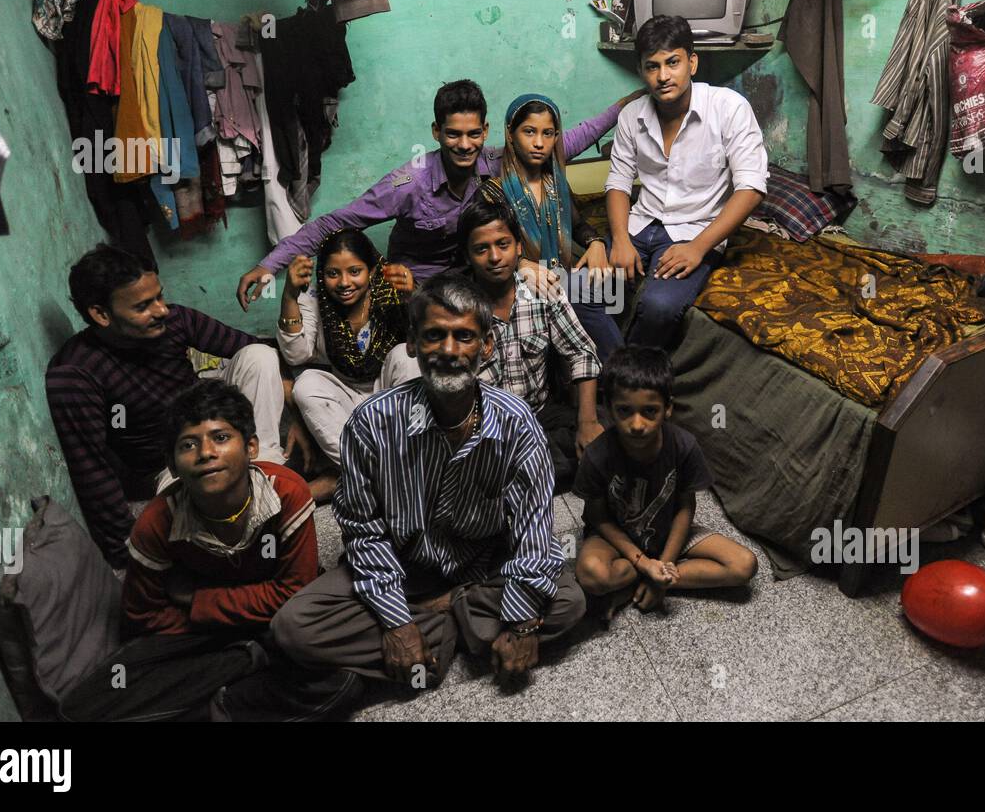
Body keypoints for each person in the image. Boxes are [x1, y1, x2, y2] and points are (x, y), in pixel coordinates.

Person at [271, 274, 586, 691]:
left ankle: (437, 625)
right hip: (406, 569)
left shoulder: (516, 422)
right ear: (413, 345)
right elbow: (363, 532)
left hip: (483, 565)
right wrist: (396, 620)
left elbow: (531, 530)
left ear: (486, 346)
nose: (449, 351)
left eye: (465, 337)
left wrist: (523, 621)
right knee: (293, 627)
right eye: (435, 336)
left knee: (568, 600)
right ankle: (445, 628)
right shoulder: (372, 423)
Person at [59, 382, 361, 721]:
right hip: (208, 634)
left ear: (251, 448)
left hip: (272, 619)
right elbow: (143, 614)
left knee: (341, 676)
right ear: (172, 466)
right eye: (188, 444)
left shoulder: (287, 493)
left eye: (220, 438)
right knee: (85, 706)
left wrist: (198, 600)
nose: (206, 453)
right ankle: (242, 664)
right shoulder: (156, 524)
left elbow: (293, 590)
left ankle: (221, 705)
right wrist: (226, 631)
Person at [237, 79, 640, 310]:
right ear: (436, 132)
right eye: (452, 134)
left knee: (574, 292)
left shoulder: (499, 161)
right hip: (419, 287)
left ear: (484, 132)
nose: (464, 145)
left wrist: (630, 103)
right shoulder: (410, 182)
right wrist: (270, 264)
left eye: (472, 134)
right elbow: (337, 222)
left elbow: (572, 139)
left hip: (481, 274)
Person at [45, 244, 311, 567]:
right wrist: (127, 554)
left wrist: (299, 417)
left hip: (208, 420)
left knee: (261, 356)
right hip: (168, 468)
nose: (162, 310)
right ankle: (269, 476)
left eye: (159, 296)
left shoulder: (173, 320)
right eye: (144, 305)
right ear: (101, 314)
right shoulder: (75, 374)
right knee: (223, 511)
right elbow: (92, 470)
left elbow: (247, 346)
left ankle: (264, 456)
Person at [605, 15, 769, 348]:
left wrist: (698, 247)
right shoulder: (631, 116)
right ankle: (605, 369)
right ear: (641, 71)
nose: (663, 76)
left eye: (672, 63)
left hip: (695, 229)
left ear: (692, 63)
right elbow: (619, 182)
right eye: (652, 67)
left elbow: (751, 189)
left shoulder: (729, 108)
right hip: (640, 224)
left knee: (659, 305)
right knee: (587, 288)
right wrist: (620, 239)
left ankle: (629, 378)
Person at [574, 346, 758, 618]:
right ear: (609, 408)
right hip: (617, 538)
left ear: (668, 408)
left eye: (650, 411)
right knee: (592, 573)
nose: (637, 424)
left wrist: (665, 563)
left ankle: (650, 583)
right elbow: (597, 517)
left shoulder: (684, 446)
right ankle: (649, 576)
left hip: (667, 531)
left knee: (744, 565)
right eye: (625, 410)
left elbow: (685, 507)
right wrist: (644, 562)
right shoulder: (597, 455)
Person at [481, 92, 642, 358]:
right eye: (529, 132)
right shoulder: (493, 192)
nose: (538, 143)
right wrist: (520, 264)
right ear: (510, 134)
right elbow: (481, 251)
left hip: (557, 273)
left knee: (618, 283)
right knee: (579, 294)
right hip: (515, 286)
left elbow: (577, 223)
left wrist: (596, 243)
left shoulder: (554, 180)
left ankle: (597, 368)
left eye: (548, 134)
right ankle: (623, 371)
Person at [457, 195, 603, 487]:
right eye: (481, 249)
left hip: (541, 415)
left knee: (605, 439)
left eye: (503, 244)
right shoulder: (457, 307)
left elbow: (581, 352)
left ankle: (530, 471)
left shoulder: (541, 291)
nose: (495, 257)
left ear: (519, 247)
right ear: (467, 256)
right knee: (470, 467)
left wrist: (588, 423)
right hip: (486, 427)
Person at [278, 227, 413, 470]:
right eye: (332, 273)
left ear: (371, 271)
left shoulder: (394, 293)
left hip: (391, 397)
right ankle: (366, 470)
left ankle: (400, 460)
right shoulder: (315, 301)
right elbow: (296, 354)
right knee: (306, 383)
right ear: (321, 274)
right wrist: (289, 295)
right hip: (345, 401)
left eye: (354, 271)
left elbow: (429, 342)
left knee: (406, 355)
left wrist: (412, 298)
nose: (344, 283)